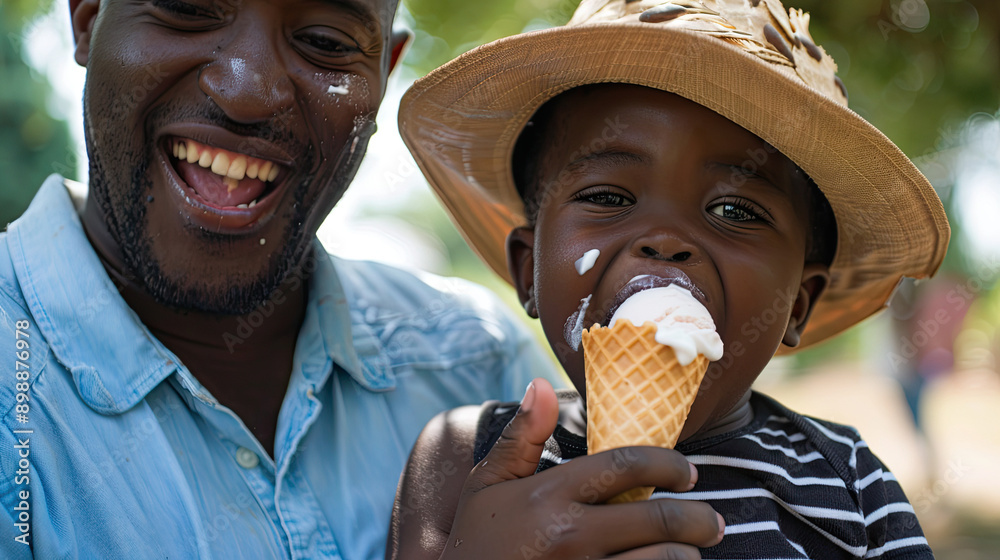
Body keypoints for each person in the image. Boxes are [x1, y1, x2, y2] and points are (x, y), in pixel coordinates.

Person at [0, 0, 573, 558]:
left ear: (385, 72)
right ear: (89, 17)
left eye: (325, 42)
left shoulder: (480, 364)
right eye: (188, 8)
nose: (247, 89)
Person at [390, 0, 951, 558]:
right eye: (608, 197)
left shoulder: (852, 483)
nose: (665, 239)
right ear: (529, 268)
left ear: (798, 304)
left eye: (735, 211)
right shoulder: (464, 458)